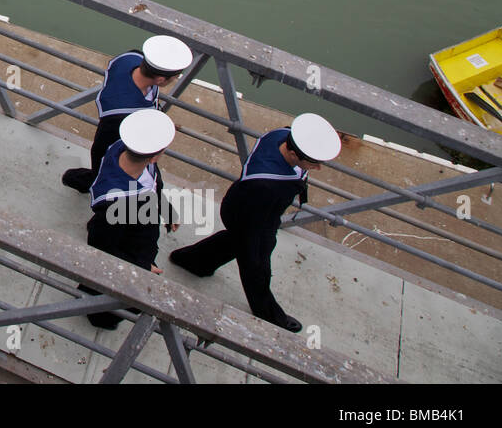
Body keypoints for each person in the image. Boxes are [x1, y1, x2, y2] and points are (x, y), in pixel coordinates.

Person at [169, 112, 340, 332]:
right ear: (292, 152)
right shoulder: (269, 185)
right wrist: (261, 241)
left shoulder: (279, 136)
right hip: (253, 217)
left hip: (240, 204)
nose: (318, 168)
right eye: (313, 163)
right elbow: (256, 222)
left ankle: (191, 261)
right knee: (256, 267)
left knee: (233, 242)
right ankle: (268, 314)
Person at [82, 108, 178, 329]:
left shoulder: (120, 149)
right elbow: (101, 247)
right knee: (114, 296)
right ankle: (101, 317)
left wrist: (164, 208)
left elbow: (153, 183)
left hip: (133, 230)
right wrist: (142, 265)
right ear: (155, 155)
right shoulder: (116, 205)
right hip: (128, 250)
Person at [62, 34, 191, 194]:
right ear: (160, 80)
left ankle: (83, 179)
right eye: (175, 77)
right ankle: (85, 181)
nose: (176, 79)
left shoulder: (131, 58)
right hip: (116, 143)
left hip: (119, 121)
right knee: (137, 179)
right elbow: (103, 146)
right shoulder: (123, 114)